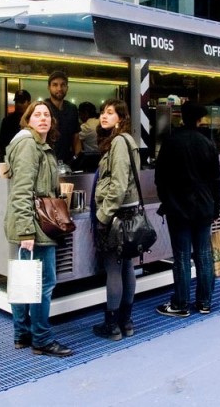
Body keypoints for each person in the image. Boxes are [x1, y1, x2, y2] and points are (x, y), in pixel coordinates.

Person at [3, 100, 73, 358]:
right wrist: (26, 232)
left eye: (47, 115)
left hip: (32, 220)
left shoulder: (36, 145)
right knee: (44, 282)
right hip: (34, 223)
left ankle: (22, 334)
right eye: (37, 115)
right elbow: (21, 191)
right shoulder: (29, 145)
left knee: (25, 278)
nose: (43, 118)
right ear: (28, 120)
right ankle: (41, 339)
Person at [155, 102, 220, 317]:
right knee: (203, 254)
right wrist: (216, 210)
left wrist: (167, 201)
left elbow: (160, 178)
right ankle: (204, 302)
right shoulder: (208, 143)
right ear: (200, 119)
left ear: (182, 117)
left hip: (178, 208)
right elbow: (216, 181)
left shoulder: (171, 141)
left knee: (182, 256)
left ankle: (180, 304)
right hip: (204, 207)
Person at [91, 99, 140, 340]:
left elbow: (119, 184)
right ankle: (126, 322)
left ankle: (112, 326)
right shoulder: (128, 140)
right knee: (127, 265)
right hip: (129, 212)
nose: (104, 116)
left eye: (110, 113)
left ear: (121, 118)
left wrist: (103, 215)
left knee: (113, 268)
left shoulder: (119, 143)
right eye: (103, 112)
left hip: (117, 214)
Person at [44, 71, 80, 164]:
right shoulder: (43, 107)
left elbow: (76, 137)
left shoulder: (72, 108)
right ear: (49, 87)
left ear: (67, 88)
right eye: (55, 85)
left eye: (63, 85)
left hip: (67, 163)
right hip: (46, 162)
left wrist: (78, 159)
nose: (59, 88)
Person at [0, 89, 32, 158]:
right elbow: (2, 144)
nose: (19, 104)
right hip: (12, 158)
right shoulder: (7, 121)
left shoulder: (34, 120)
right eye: (17, 102)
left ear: (29, 103)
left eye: (22, 102)